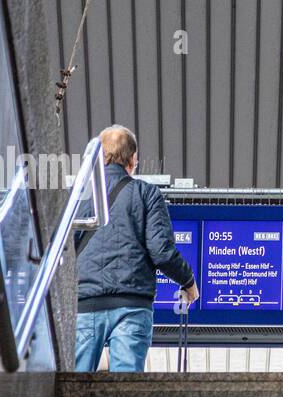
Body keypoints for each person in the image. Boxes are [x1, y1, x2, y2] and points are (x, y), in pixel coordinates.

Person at [75, 125, 198, 372]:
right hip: (131, 305)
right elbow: (161, 251)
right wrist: (188, 282)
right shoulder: (147, 194)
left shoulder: (77, 197)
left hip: (84, 304)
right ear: (133, 160)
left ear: (99, 158)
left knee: (73, 380)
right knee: (127, 385)